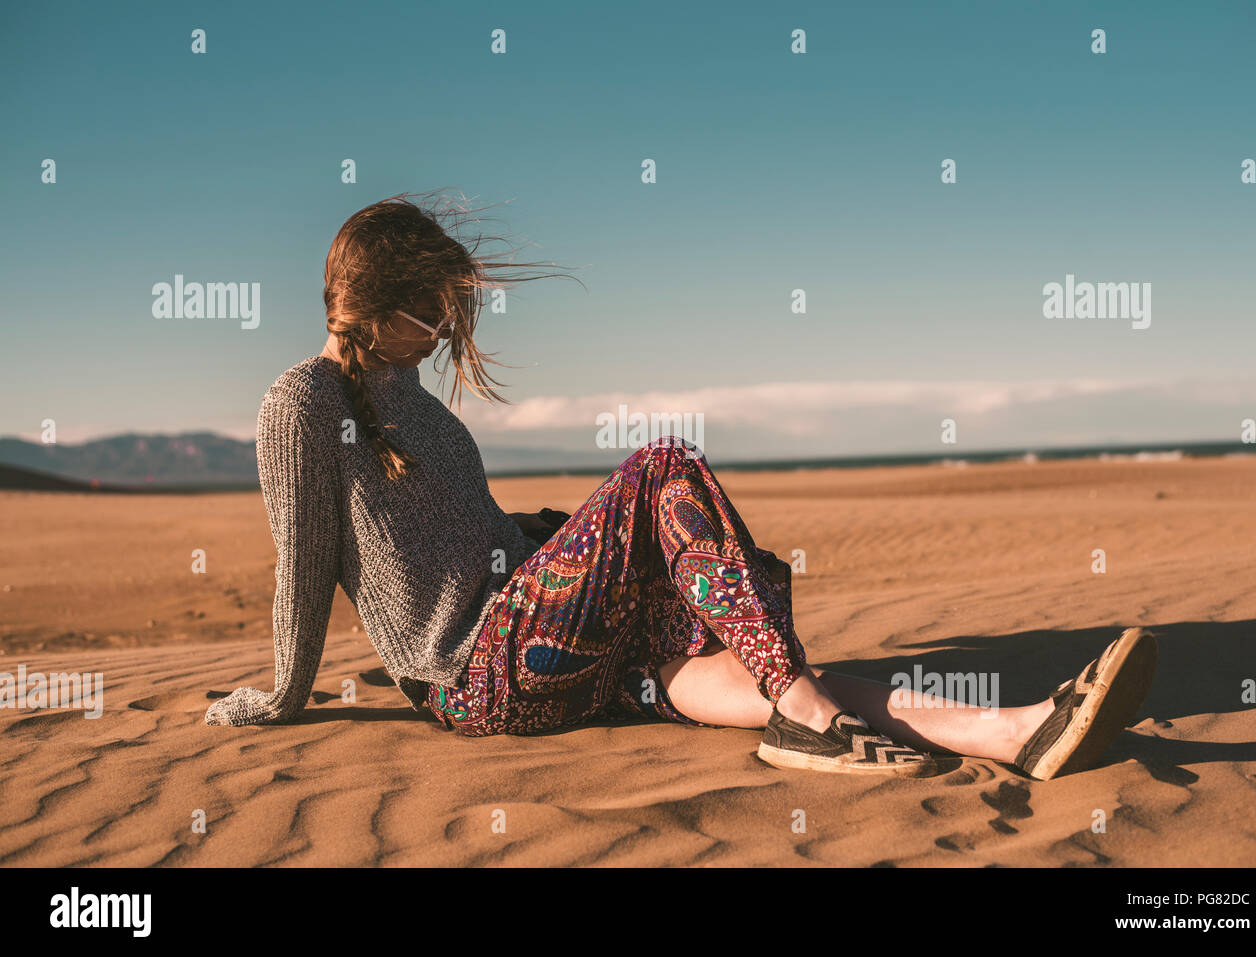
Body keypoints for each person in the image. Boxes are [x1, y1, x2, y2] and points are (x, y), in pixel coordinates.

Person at [205, 193, 1158, 778]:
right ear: (391, 302)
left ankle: (1014, 730)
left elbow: (463, 537)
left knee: (738, 646)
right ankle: (801, 711)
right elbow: (305, 568)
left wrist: (552, 535)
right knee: (662, 463)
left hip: (539, 650)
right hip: (477, 677)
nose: (451, 329)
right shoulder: (300, 402)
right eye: (441, 310)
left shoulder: (410, 398)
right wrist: (279, 698)